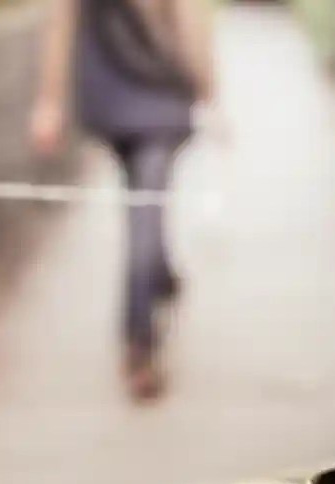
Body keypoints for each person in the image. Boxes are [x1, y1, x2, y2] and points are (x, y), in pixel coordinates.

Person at [30, 0, 216, 400]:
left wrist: (50, 102)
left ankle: (159, 278)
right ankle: (139, 343)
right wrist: (209, 93)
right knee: (146, 208)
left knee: (142, 201)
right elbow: (190, 22)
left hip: (107, 101)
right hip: (162, 98)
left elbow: (59, 26)